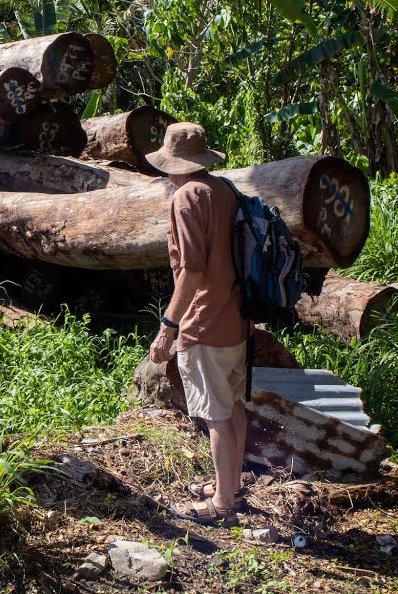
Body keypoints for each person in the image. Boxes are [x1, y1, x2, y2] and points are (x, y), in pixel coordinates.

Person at [145, 122, 250, 525]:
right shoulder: (224, 189)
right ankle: (231, 486)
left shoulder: (186, 198)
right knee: (233, 405)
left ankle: (222, 504)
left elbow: (192, 270)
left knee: (215, 415)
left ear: (173, 163)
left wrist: (167, 327)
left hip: (204, 322)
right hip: (236, 317)